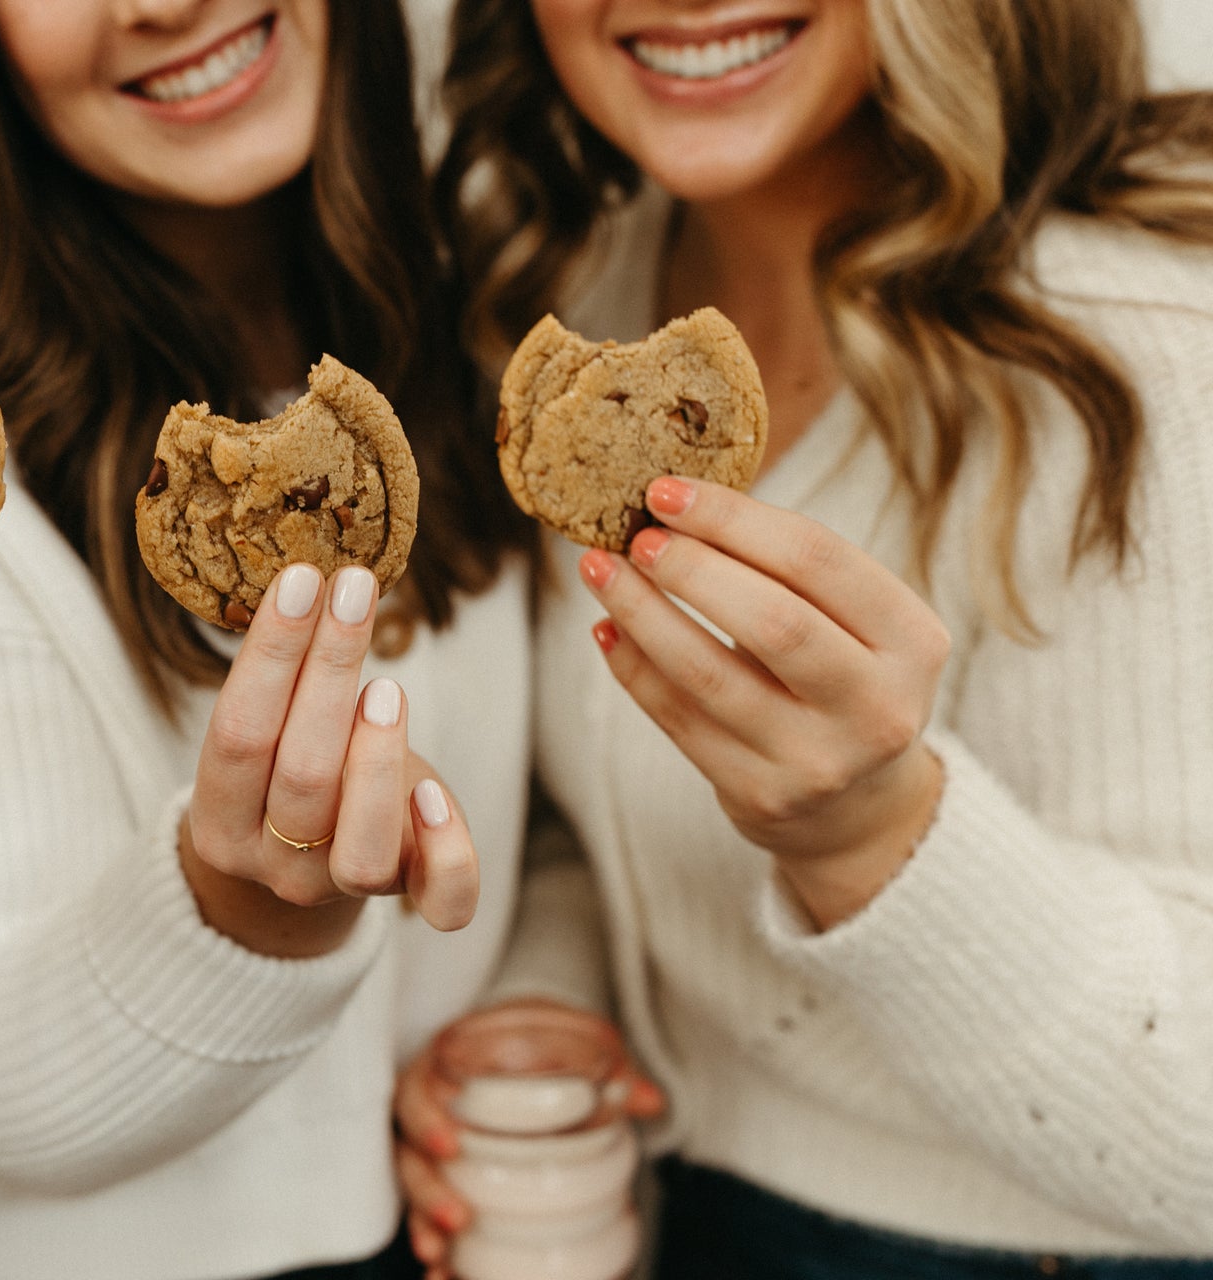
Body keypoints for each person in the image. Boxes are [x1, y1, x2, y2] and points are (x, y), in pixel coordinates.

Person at [393, 0, 1213, 1275]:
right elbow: (587, 797)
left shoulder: (1153, 360)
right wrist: (548, 1002)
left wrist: (877, 831)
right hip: (698, 1216)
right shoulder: (576, 326)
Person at [0, 1, 536, 1277]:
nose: (159, 5)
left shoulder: (466, 294)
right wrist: (244, 912)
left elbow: (545, 820)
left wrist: (522, 1025)